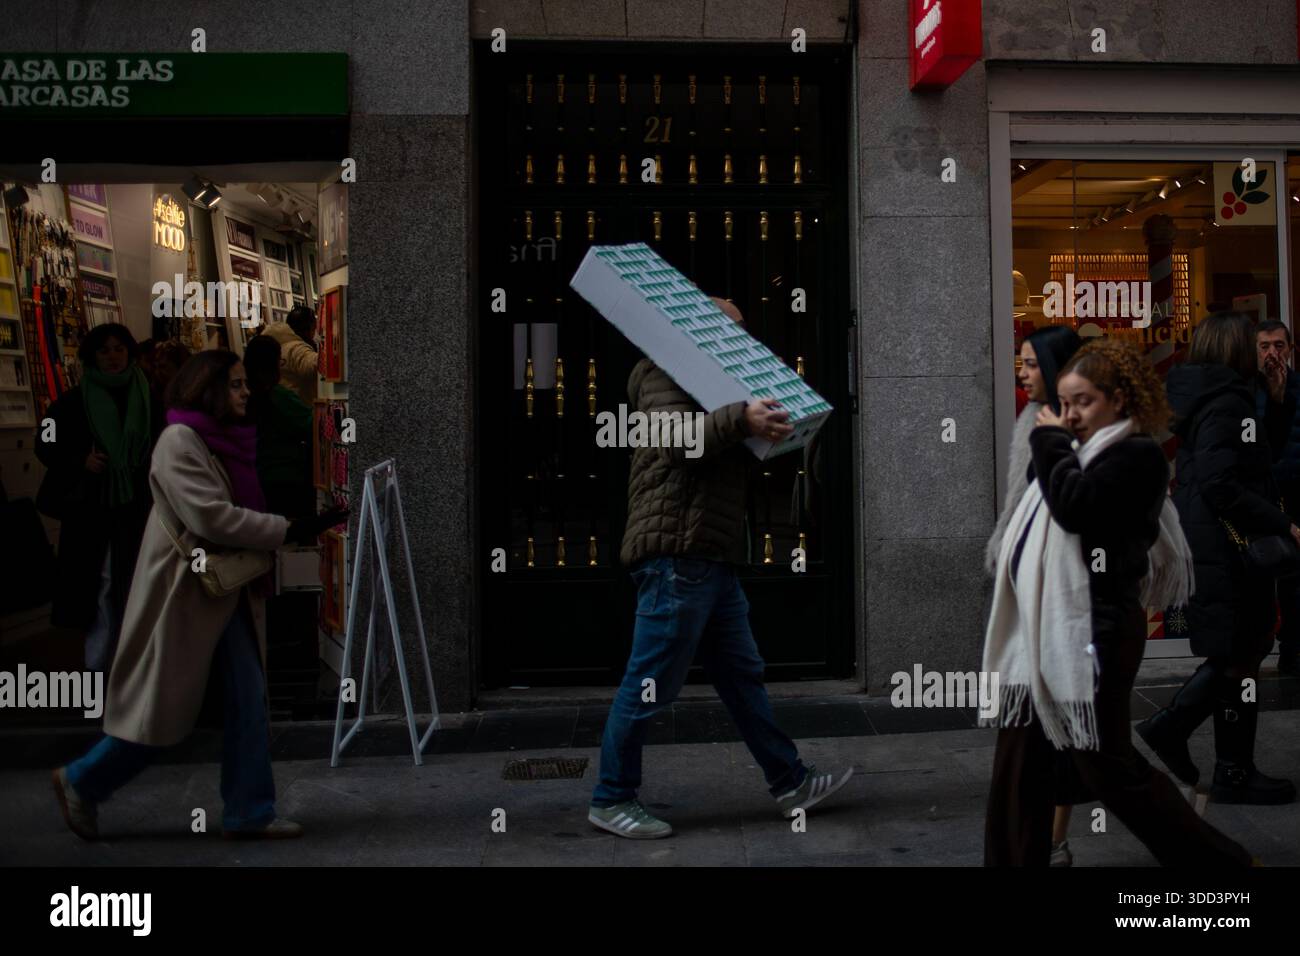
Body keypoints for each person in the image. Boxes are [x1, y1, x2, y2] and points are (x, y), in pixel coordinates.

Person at [51, 350, 347, 841]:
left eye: (243, 383)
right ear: (206, 389)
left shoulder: (225, 439)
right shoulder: (179, 441)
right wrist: (285, 528)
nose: (245, 392)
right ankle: (82, 779)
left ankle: (250, 810)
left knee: (246, 700)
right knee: (163, 707)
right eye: (234, 385)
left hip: (222, 589)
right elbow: (210, 516)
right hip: (187, 595)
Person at [587, 296, 852, 839]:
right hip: (678, 556)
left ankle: (790, 782)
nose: (740, 340)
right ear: (696, 331)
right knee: (648, 682)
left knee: (741, 676)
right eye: (730, 330)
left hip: (710, 555)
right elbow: (680, 443)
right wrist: (742, 419)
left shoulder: (716, 383)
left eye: (743, 331)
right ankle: (611, 797)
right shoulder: (662, 372)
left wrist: (762, 425)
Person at [983, 339, 1251, 866]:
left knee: (1111, 769)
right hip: (1041, 635)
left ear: (1120, 400)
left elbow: (1077, 509)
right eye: (1065, 401)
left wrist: (1050, 444)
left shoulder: (1138, 456)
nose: (1070, 413)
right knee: (1020, 764)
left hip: (1095, 634)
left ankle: (1223, 865)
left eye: (1083, 401)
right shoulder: (1075, 451)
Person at [1137, 313, 1297, 805]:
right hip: (1227, 548)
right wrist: (1279, 521)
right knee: (1239, 653)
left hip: (1216, 544)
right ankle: (1174, 729)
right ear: (1232, 348)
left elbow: (1249, 455)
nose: (1263, 352)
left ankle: (1232, 767)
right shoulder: (1227, 402)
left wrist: (1271, 403)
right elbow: (1222, 481)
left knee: (1243, 653)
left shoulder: (1221, 396)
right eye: (1252, 344)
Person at [985, 324, 1082, 866]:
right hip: (1027, 590)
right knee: (1044, 739)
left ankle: (1051, 839)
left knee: (1075, 743)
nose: (1022, 374)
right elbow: (1017, 506)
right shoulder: (1029, 422)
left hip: (1060, 600)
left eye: (1029, 364)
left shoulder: (1070, 427)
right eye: (1018, 364)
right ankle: (1042, 842)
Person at [34, 323, 163, 673]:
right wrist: (79, 460)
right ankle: (100, 667)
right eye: (104, 350)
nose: (112, 357)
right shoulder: (73, 403)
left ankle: (133, 666)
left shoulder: (148, 398)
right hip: (93, 512)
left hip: (137, 509)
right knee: (101, 586)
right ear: (93, 356)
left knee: (135, 584)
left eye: (119, 348)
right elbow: (44, 441)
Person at [1253, 320, 1300, 677]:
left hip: (1293, 496)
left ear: (1290, 349)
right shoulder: (1246, 392)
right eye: (1265, 346)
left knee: (1293, 579)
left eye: (1279, 346)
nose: (1273, 353)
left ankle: (1292, 651)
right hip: (1256, 500)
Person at [243, 335, 314, 519]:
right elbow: (311, 424)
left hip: (253, 479)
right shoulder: (277, 396)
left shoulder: (242, 394)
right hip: (286, 478)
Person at [262, 305, 318, 404]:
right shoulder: (296, 348)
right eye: (314, 327)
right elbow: (312, 365)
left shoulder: (279, 347)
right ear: (308, 328)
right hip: (299, 410)